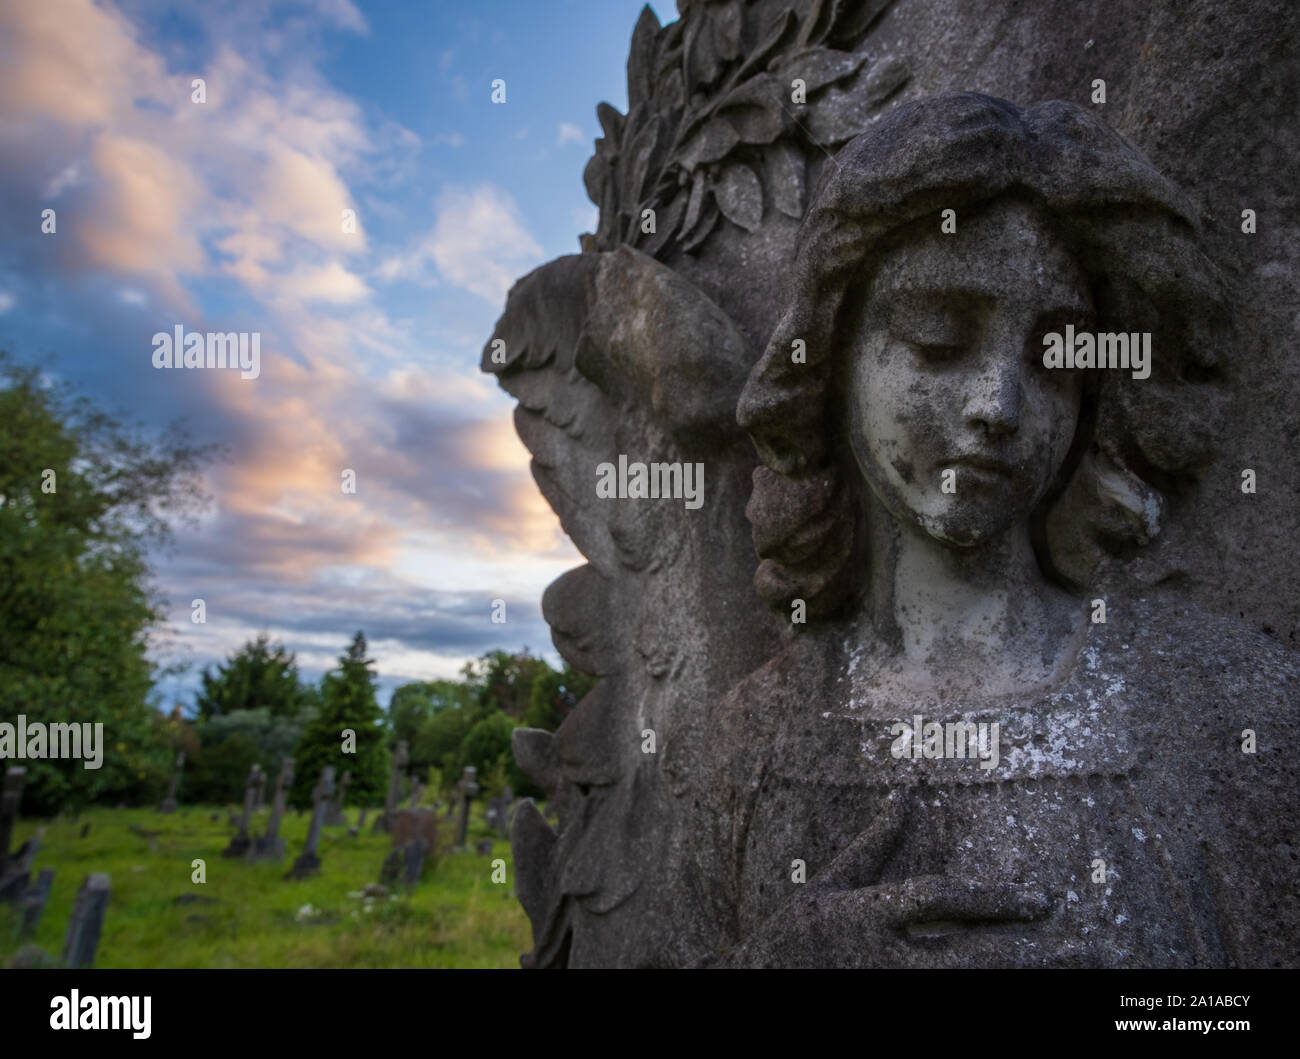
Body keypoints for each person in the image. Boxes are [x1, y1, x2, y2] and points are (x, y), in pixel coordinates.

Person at [696, 93, 1297, 968]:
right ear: (830, 358)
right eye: (939, 339)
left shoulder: (1238, 712)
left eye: (1056, 355)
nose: (999, 407)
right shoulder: (743, 748)